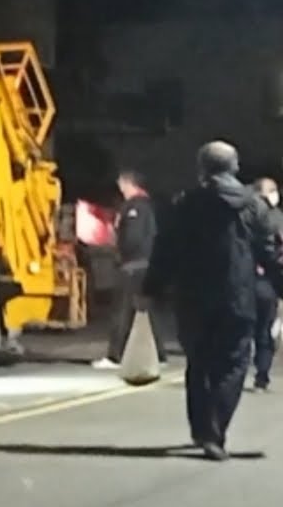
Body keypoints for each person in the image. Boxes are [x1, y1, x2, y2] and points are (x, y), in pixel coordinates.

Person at [140, 141, 283, 461]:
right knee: (233, 363)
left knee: (199, 363)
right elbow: (270, 252)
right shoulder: (253, 206)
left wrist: (151, 288)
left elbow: (166, 250)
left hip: (193, 297)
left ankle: (202, 427)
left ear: (202, 169)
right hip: (238, 296)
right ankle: (215, 429)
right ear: (235, 167)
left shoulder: (185, 203)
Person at [93, 169, 166, 370]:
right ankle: (159, 354)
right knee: (146, 311)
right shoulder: (150, 206)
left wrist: (118, 248)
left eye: (122, 185)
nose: (120, 189)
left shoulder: (134, 207)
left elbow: (133, 238)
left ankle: (115, 356)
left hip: (132, 266)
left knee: (121, 311)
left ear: (129, 184)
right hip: (146, 265)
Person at [248, 177, 283, 391]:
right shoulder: (277, 218)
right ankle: (262, 375)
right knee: (264, 330)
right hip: (266, 281)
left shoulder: (242, 215)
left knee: (243, 331)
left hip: (243, 281)